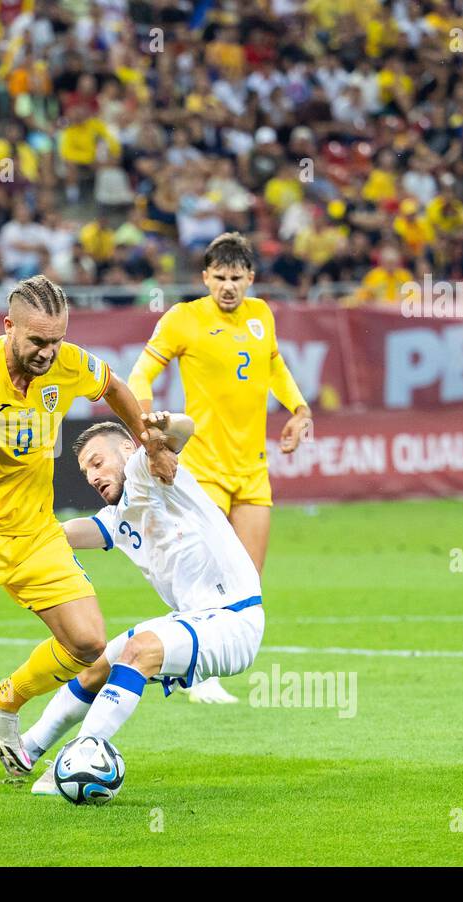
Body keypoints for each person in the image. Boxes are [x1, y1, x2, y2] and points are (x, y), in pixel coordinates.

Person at [0, 274, 178, 795]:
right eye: (37, 340)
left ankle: (1, 703)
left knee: (89, 643)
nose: (48, 352)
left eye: (57, 339)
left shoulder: (69, 363)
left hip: (35, 532)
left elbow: (113, 387)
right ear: (8, 328)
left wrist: (147, 442)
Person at [0, 413, 263, 795]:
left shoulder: (147, 469)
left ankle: (75, 762)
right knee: (97, 667)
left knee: (140, 651)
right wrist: (8, 535)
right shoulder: (119, 514)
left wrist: (165, 424)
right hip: (195, 619)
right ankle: (28, 748)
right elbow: (64, 535)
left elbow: (184, 429)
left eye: (97, 462)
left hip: (233, 619)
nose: (92, 477)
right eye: (86, 471)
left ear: (127, 449)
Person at [126, 232, 309, 703]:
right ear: (205, 277)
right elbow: (140, 374)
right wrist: (146, 425)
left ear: (251, 278)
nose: (228, 287)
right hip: (203, 469)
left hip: (252, 469)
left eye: (237, 278)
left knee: (247, 579)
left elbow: (273, 368)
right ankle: (198, 675)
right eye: (220, 278)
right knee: (204, 578)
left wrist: (299, 409)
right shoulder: (184, 318)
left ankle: (208, 664)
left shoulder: (261, 315)